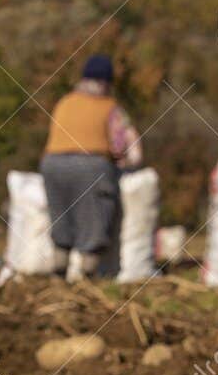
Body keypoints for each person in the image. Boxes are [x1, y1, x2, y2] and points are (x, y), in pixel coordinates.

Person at [40, 54, 143, 280]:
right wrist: (128, 163)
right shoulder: (109, 107)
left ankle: (59, 269)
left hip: (52, 164)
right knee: (95, 215)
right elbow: (124, 146)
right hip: (90, 165)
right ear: (106, 82)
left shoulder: (65, 101)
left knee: (61, 215)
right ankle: (88, 273)